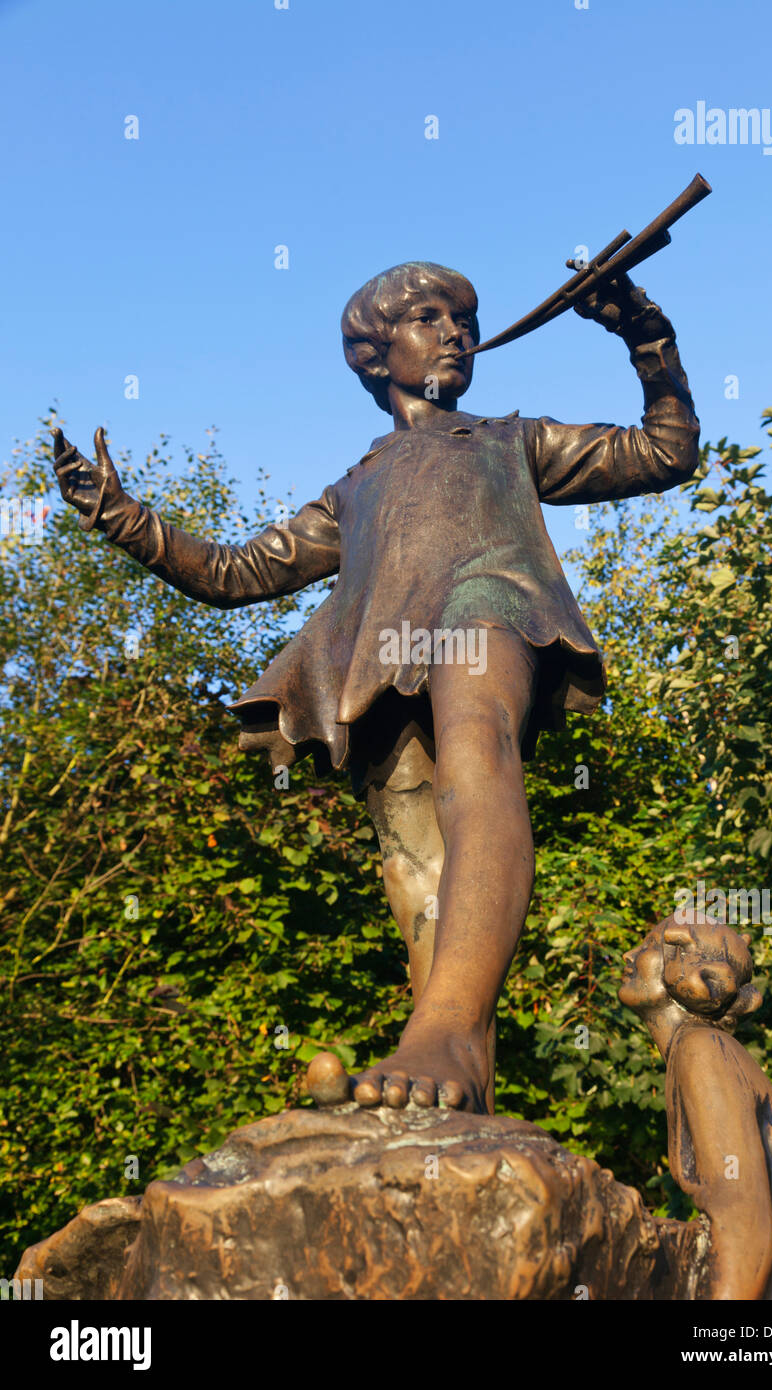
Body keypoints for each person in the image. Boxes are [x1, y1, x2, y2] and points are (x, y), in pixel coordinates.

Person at [53, 259, 699, 1115]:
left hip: (491, 606)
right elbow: (238, 571)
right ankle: (447, 1091)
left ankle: (449, 1033)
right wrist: (128, 520)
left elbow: (666, 451)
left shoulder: (511, 440)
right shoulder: (354, 490)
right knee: (418, 873)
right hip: (387, 665)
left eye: (463, 320)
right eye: (430, 318)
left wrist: (644, 337)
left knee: (480, 753)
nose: (456, 332)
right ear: (373, 353)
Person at [620, 912, 772, 1299]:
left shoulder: (701, 1050)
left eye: (651, 946)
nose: (629, 955)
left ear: (691, 975)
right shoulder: (706, 1047)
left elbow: (742, 1221)